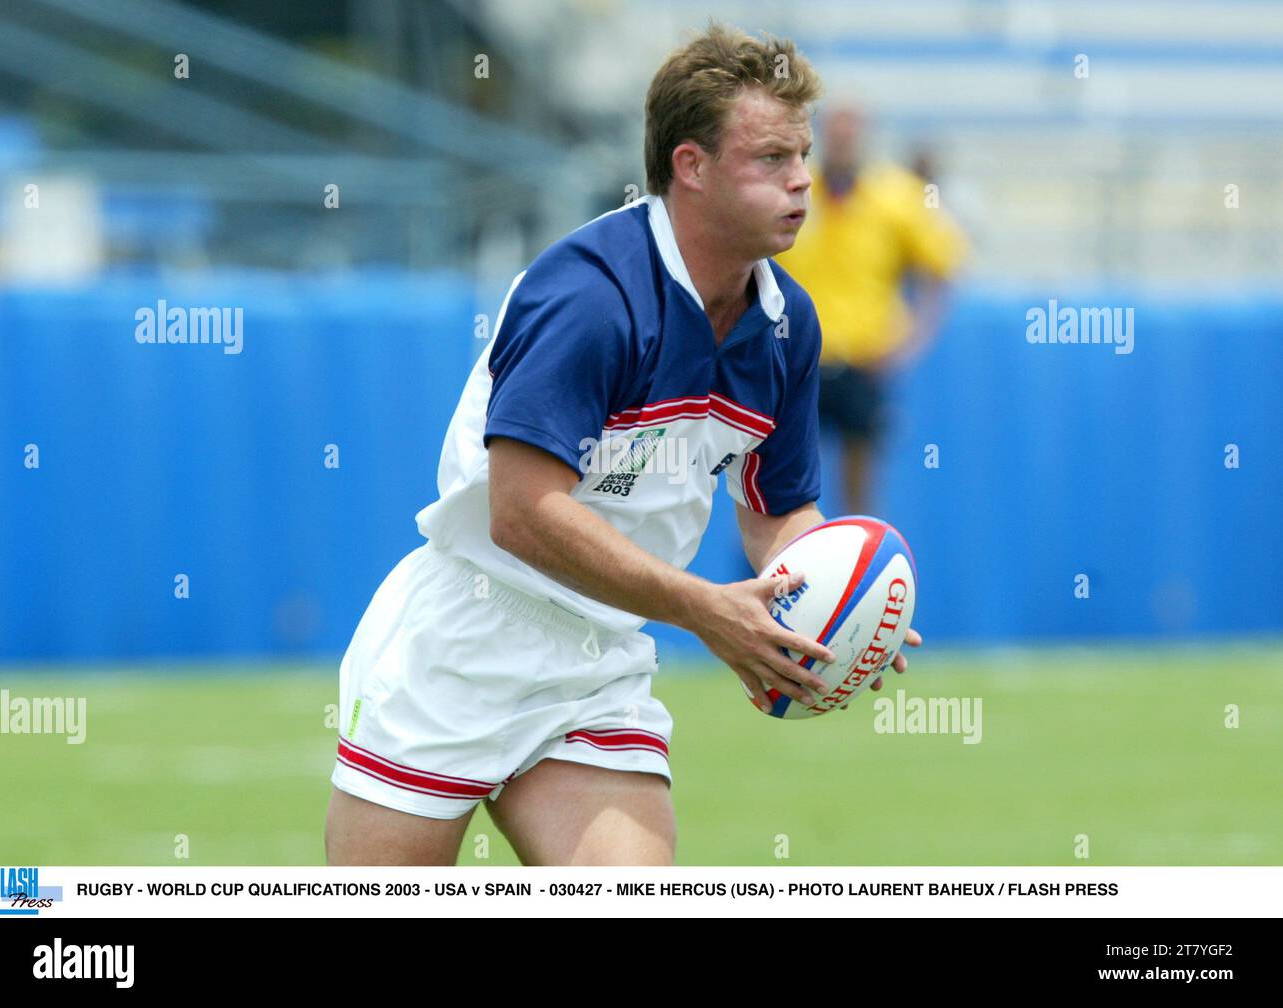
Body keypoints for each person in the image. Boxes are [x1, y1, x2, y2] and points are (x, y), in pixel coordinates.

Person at [324, 21, 921, 867]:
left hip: (601, 663)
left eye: (804, 156)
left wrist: (838, 602)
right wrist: (701, 608)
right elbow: (521, 515)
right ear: (692, 166)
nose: (802, 183)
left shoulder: (788, 324)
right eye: (772, 160)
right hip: (463, 640)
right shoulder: (591, 297)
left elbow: (778, 511)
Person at [776, 104, 967, 516]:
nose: (843, 139)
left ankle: (858, 573)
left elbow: (946, 264)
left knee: (859, 488)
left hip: (863, 360)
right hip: (800, 359)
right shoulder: (798, 191)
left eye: (850, 130)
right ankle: (773, 572)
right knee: (777, 482)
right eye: (836, 130)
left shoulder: (895, 197)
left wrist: (911, 342)